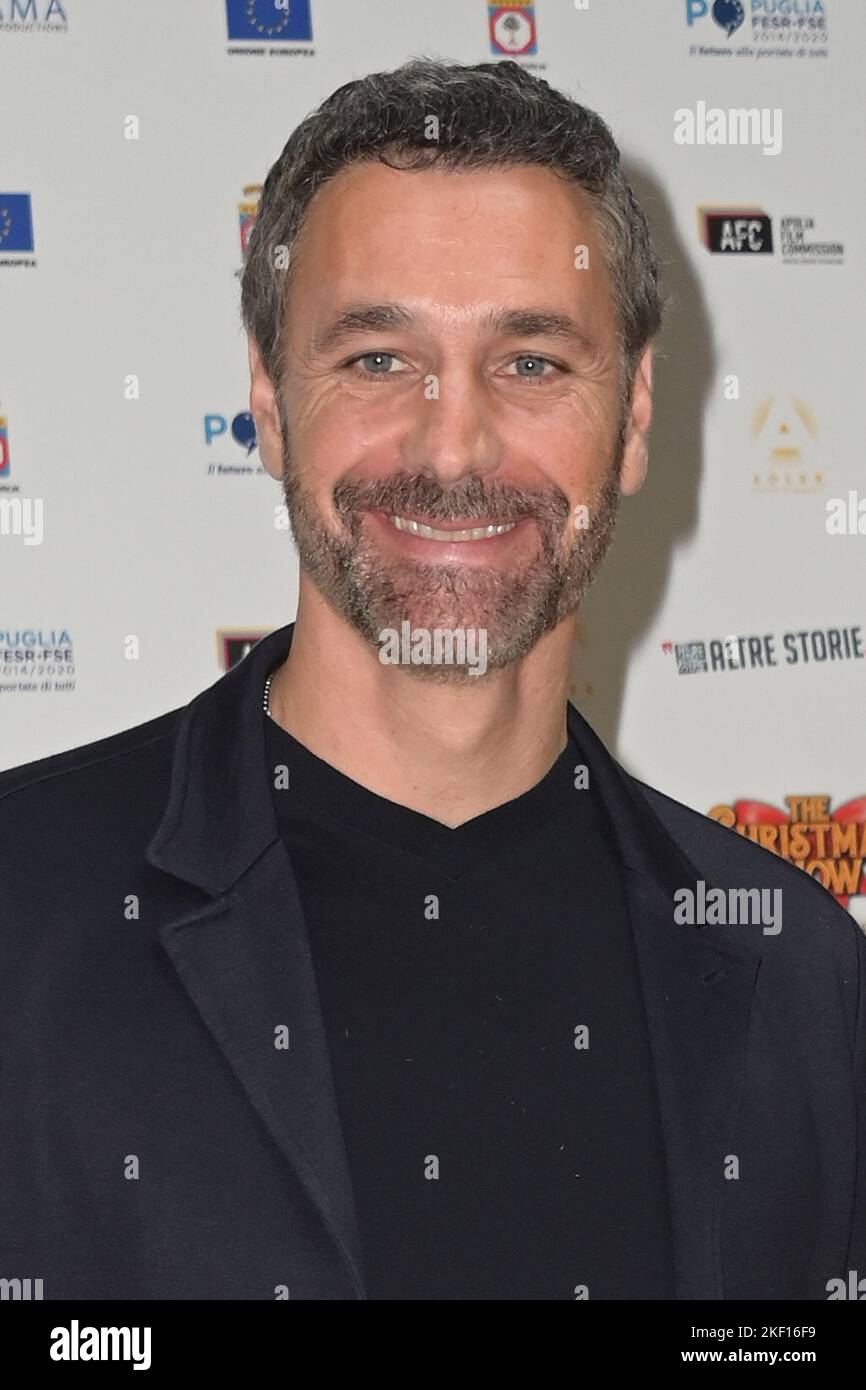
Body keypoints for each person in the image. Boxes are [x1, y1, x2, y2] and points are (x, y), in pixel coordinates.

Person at [1, 58, 863, 1302]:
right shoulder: (25, 908)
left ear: (629, 420)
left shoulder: (792, 974)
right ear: (267, 397)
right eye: (375, 358)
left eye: (529, 362)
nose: (450, 445)